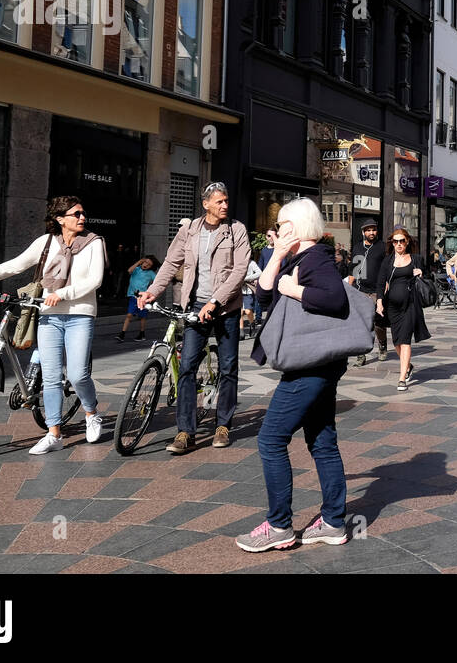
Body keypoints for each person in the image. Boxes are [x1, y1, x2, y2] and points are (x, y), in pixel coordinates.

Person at [237, 199, 350, 552]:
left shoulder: (316, 257)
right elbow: (263, 292)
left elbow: (335, 300)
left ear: (298, 225)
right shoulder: (296, 257)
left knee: (270, 440)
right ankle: (332, 522)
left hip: (310, 368)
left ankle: (279, 525)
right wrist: (276, 257)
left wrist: (293, 289)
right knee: (321, 441)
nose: (277, 228)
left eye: (283, 223)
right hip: (316, 365)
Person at [0, 195, 107, 454]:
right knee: (51, 378)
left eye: (83, 213)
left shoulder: (94, 243)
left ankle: (91, 413)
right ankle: (54, 434)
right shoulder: (46, 243)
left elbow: (94, 280)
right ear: (60, 219)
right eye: (76, 214)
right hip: (48, 316)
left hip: (80, 315)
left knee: (77, 374)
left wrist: (61, 294)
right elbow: (15, 265)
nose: (82, 217)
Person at [138, 182, 251, 454]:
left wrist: (215, 301)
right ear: (206, 204)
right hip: (194, 305)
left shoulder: (236, 230)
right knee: (186, 366)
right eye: (220, 201)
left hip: (225, 308)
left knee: (228, 366)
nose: (225, 205)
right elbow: (171, 263)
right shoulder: (189, 230)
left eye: (226, 201)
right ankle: (185, 431)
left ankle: (223, 424)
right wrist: (153, 291)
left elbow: (240, 270)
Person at [376, 228, 430, 392]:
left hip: (410, 305)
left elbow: (427, 278)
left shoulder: (416, 259)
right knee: (397, 341)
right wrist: (379, 302)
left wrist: (421, 273)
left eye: (402, 241)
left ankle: (402, 379)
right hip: (392, 307)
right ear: (392, 243)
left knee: (405, 340)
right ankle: (408, 365)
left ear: (407, 242)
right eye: (395, 241)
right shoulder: (387, 260)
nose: (399, 244)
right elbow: (380, 282)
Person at [352, 219, 389, 366]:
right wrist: (350, 288)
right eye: (368, 230)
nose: (371, 232)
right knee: (361, 323)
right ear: (363, 232)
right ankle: (361, 354)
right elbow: (354, 270)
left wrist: (386, 284)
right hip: (360, 290)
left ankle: (382, 345)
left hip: (377, 290)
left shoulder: (382, 247)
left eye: (373, 229)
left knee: (378, 323)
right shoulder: (357, 248)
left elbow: (387, 267)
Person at [117, 256, 158, 342]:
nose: (146, 265)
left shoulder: (151, 273)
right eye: (145, 262)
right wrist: (138, 262)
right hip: (133, 296)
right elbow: (129, 271)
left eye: (149, 264)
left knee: (142, 316)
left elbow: (157, 282)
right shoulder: (137, 269)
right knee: (129, 314)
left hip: (142, 297)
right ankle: (122, 333)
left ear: (151, 267)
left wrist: (151, 292)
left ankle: (142, 333)